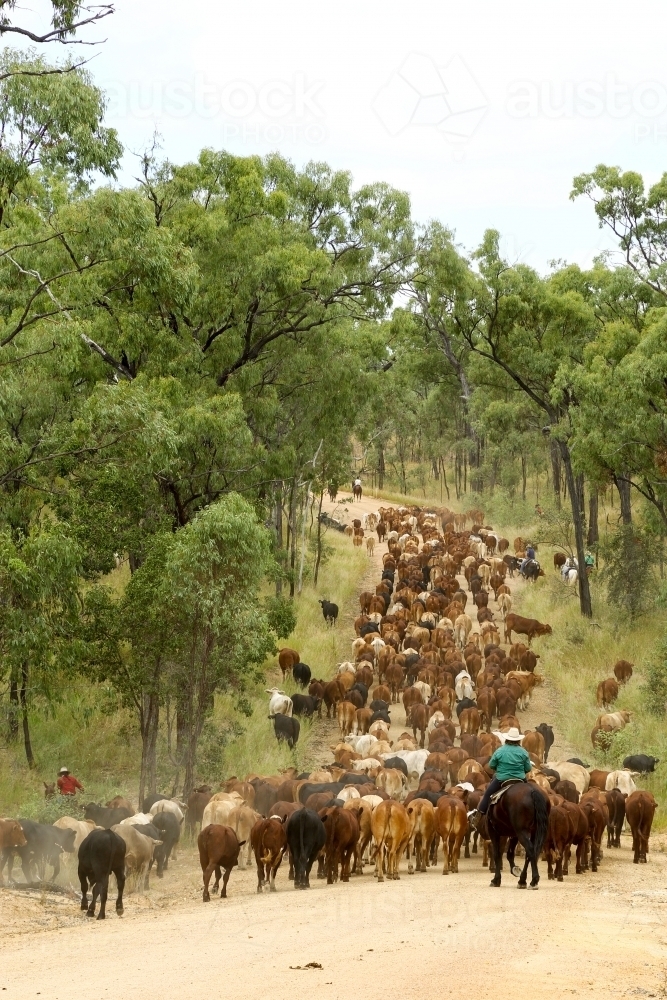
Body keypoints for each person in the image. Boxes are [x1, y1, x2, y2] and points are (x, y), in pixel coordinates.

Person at [470, 728, 532, 818]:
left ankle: (479, 816)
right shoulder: (523, 752)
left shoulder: (500, 751)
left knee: (487, 794)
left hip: (502, 779)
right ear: (518, 740)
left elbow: (491, 765)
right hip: (520, 779)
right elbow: (528, 768)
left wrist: (499, 769)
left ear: (507, 739)